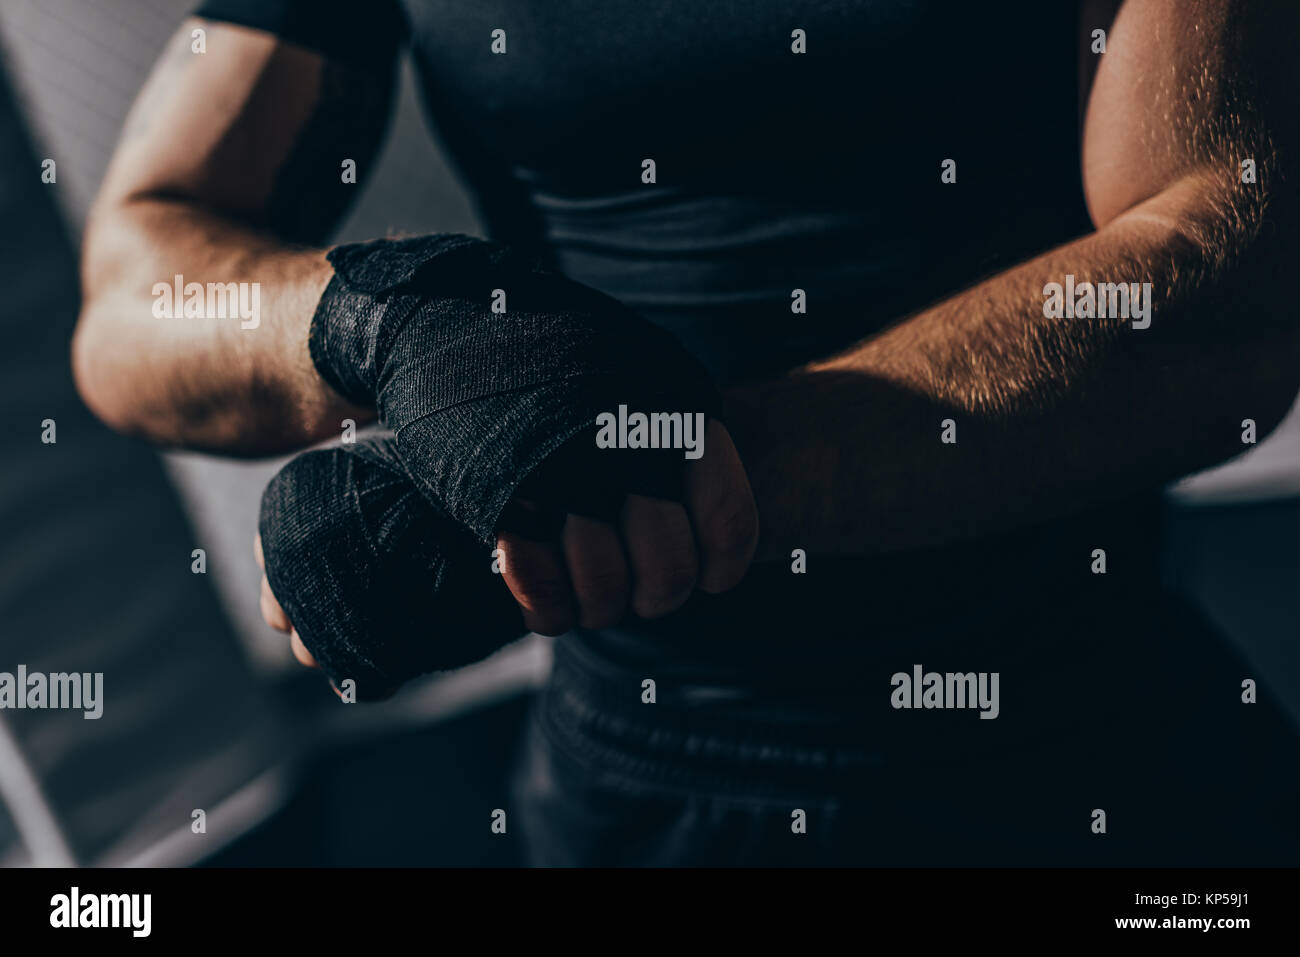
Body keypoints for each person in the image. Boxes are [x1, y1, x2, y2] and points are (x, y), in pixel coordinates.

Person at [75, 0, 1300, 865]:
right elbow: (135, 293)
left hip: (1088, 750)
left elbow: (1213, 281)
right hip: (638, 783)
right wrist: (380, 325)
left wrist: (626, 475)